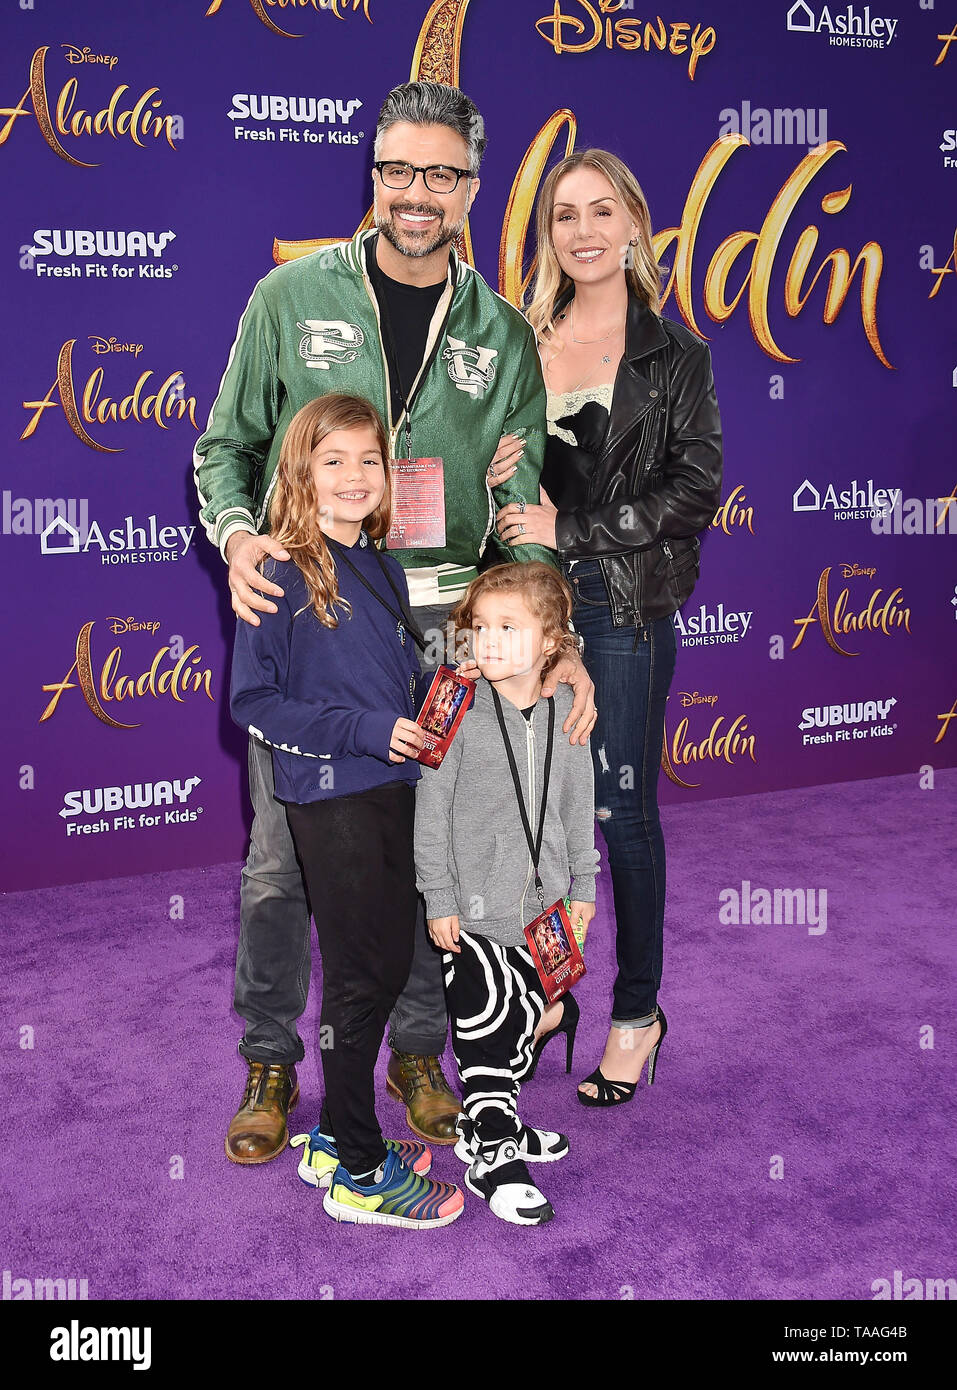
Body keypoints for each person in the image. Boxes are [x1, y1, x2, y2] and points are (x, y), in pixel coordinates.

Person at [194, 80, 598, 1161]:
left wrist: (550, 641)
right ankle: (271, 1061)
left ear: (472, 186)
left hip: (449, 634)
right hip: (316, 610)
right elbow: (224, 448)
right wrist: (240, 539)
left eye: (440, 175)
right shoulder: (287, 298)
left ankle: (421, 1050)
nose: (414, 195)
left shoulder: (504, 334)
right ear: (372, 173)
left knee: (437, 858)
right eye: (394, 171)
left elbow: (521, 524)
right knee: (283, 862)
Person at [489, 149, 723, 1106]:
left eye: (599, 212)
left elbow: (692, 490)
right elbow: (501, 488)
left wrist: (571, 527)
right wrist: (496, 461)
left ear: (635, 224)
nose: (581, 232)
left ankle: (636, 1014)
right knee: (532, 812)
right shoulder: (520, 341)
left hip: (622, 613)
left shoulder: (675, 356)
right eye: (562, 217)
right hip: (527, 611)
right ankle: (548, 997)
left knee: (620, 815)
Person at [229, 391, 464, 1228]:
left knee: (389, 965)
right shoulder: (277, 570)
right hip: (331, 799)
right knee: (362, 982)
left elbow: (382, 676)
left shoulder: (380, 562)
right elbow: (253, 704)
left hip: (390, 790)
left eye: (369, 459)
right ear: (301, 472)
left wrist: (440, 695)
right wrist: (370, 727)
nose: (355, 476)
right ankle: (360, 1170)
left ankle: (335, 1132)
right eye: (334, 461)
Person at [415, 562, 599, 1224]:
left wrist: (584, 881)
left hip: (545, 906)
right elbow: (429, 809)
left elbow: (580, 801)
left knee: (537, 1015)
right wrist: (438, 896)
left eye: (507, 626)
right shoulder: (448, 698)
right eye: (478, 626)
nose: (486, 640)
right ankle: (495, 1152)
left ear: (551, 639)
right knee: (485, 1031)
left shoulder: (565, 704)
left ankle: (486, 1123)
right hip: (473, 911)